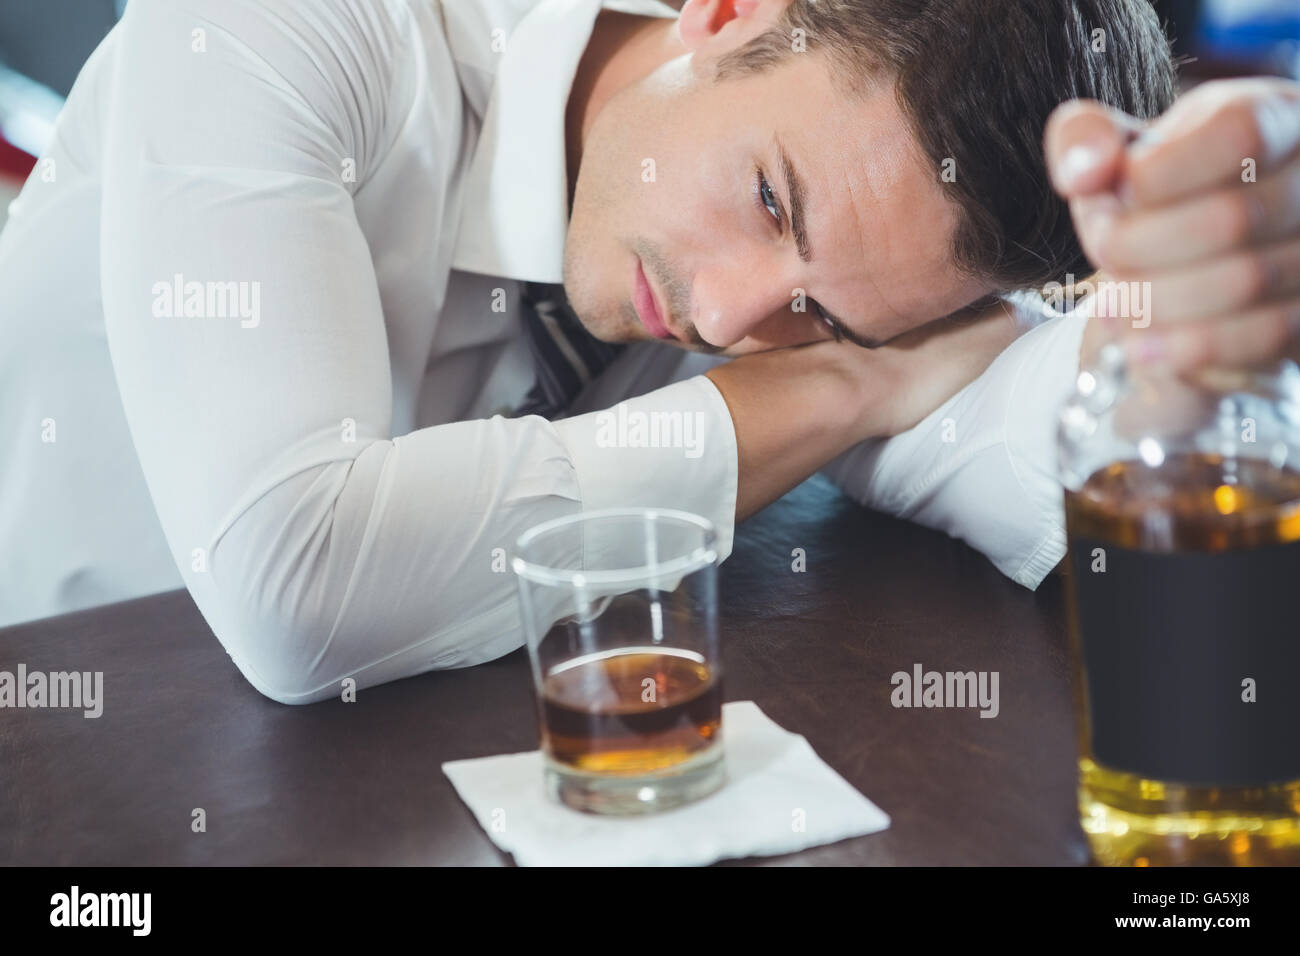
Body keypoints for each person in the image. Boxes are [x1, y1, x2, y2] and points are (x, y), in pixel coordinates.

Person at [1, 0, 1295, 704]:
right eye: (773, 203)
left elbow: (1049, 436)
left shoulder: (842, 279)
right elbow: (298, 584)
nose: (732, 324)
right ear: (725, 14)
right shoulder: (289, 25)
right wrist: (841, 380)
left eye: (826, 321)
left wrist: (1218, 329)